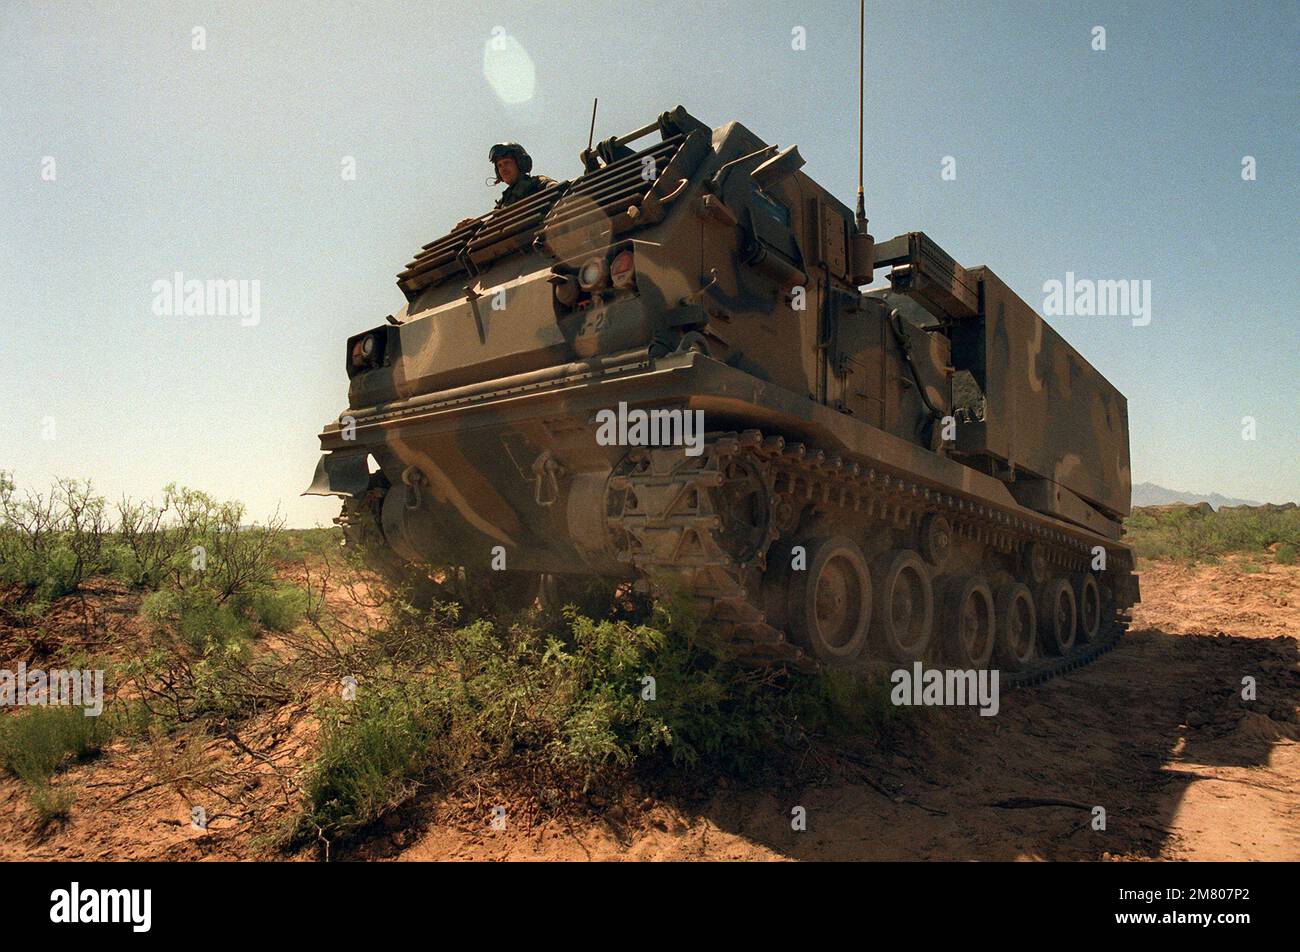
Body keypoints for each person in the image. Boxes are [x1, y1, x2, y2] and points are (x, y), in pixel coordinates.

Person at [455, 142, 556, 229]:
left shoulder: (537, 182)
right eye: (499, 165)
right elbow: (492, 225)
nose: (503, 169)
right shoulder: (503, 202)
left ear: (520, 163)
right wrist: (474, 224)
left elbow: (557, 189)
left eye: (506, 163)